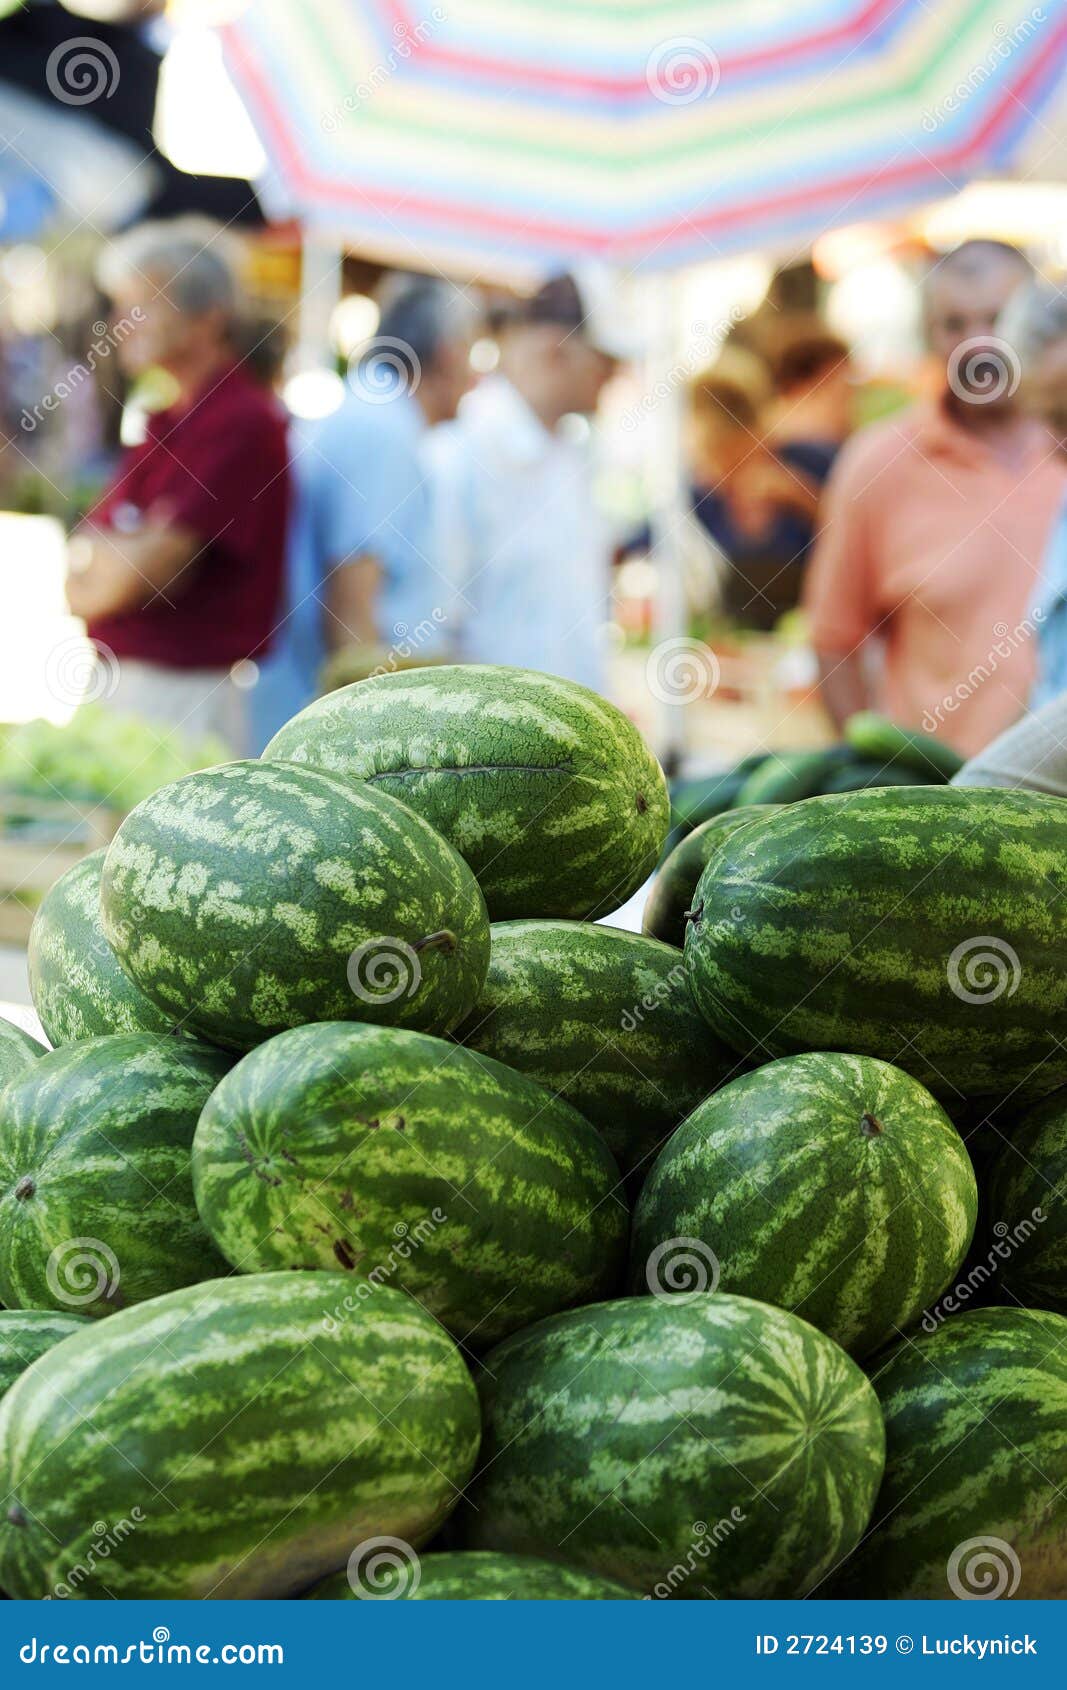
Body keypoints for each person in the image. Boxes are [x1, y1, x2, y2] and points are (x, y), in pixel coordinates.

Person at [803, 239, 1067, 756]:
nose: (977, 343)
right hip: (943, 809)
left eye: (997, 319)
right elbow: (834, 640)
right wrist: (881, 785)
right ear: (928, 336)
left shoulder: (1063, 444)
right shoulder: (878, 465)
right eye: (954, 324)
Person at [65, 219, 290, 750]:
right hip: (133, 685)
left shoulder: (237, 420)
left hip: (183, 697)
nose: (122, 323)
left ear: (207, 319)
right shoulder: (169, 418)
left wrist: (112, 565)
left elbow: (148, 570)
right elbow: (85, 562)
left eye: (142, 306)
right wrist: (112, 563)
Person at [249, 277, 475, 748]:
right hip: (335, 729)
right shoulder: (382, 430)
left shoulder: (374, 415)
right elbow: (352, 607)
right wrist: (373, 753)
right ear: (450, 353)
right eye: (474, 355)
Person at [428, 273, 623, 695]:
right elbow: (434, 629)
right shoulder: (459, 457)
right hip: (486, 747)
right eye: (608, 364)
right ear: (557, 352)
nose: (616, 378)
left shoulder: (570, 453)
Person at [685, 347, 838, 630]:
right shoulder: (700, 497)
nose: (716, 470)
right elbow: (641, 544)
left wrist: (802, 499)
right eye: (712, 456)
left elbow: (857, 541)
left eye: (731, 450)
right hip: (734, 654)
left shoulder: (814, 462)